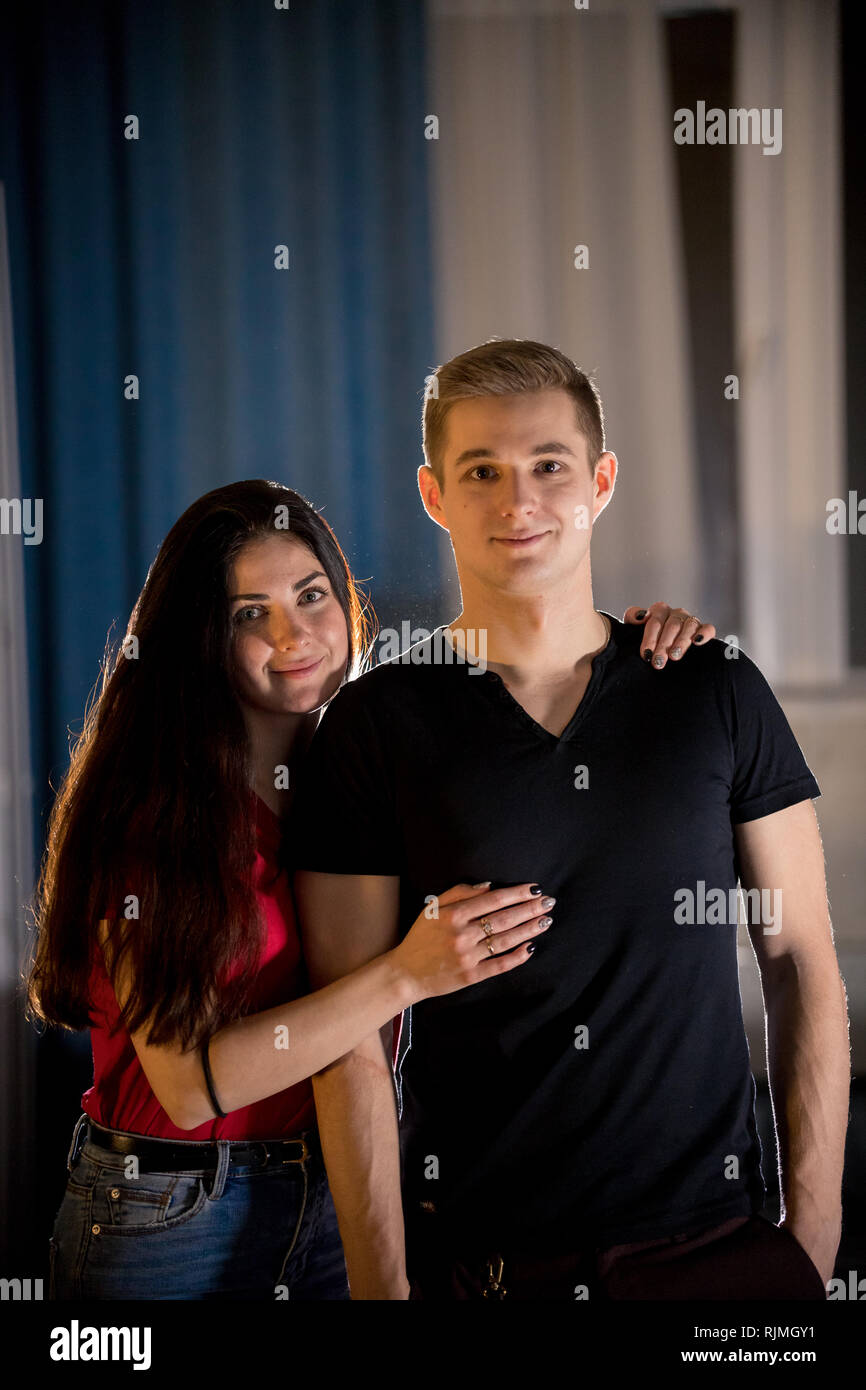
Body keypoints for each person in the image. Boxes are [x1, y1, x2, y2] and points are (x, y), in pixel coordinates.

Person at [290, 338, 850, 1301]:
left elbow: (800, 956)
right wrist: (381, 1292)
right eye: (483, 472)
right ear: (435, 495)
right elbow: (350, 1031)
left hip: (718, 1254)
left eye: (549, 466)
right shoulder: (375, 725)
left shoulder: (711, 686)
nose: (519, 503)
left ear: (600, 479)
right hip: (486, 1262)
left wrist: (813, 1237)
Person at [26, 480, 559, 1301]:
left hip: (324, 1193)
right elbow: (192, 1085)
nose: (294, 634)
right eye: (250, 614)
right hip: (166, 1212)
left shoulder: (349, 775)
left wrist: (630, 644)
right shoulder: (152, 815)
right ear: (203, 638)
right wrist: (409, 973)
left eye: (312, 594)